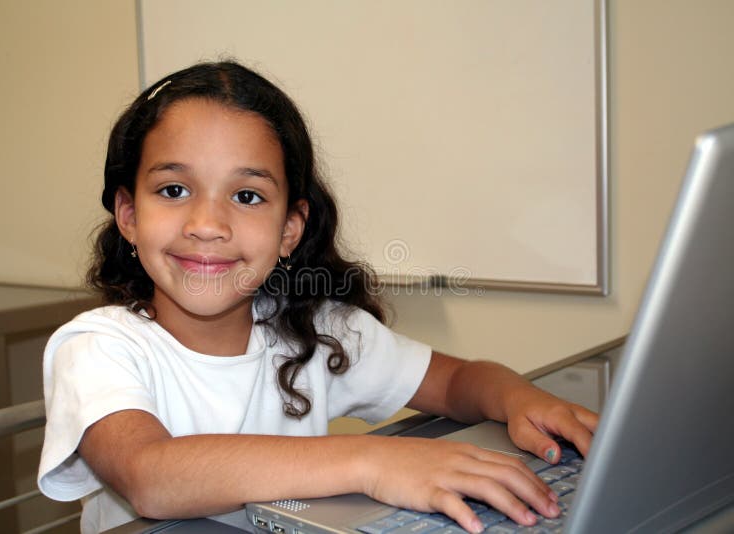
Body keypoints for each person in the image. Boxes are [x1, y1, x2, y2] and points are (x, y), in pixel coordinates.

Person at [37, 61, 597, 534]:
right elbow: (151, 478)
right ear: (129, 216)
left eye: (248, 195)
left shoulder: (314, 329)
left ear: (289, 229)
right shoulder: (97, 347)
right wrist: (374, 460)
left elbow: (456, 381)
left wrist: (520, 399)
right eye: (174, 190)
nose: (207, 224)